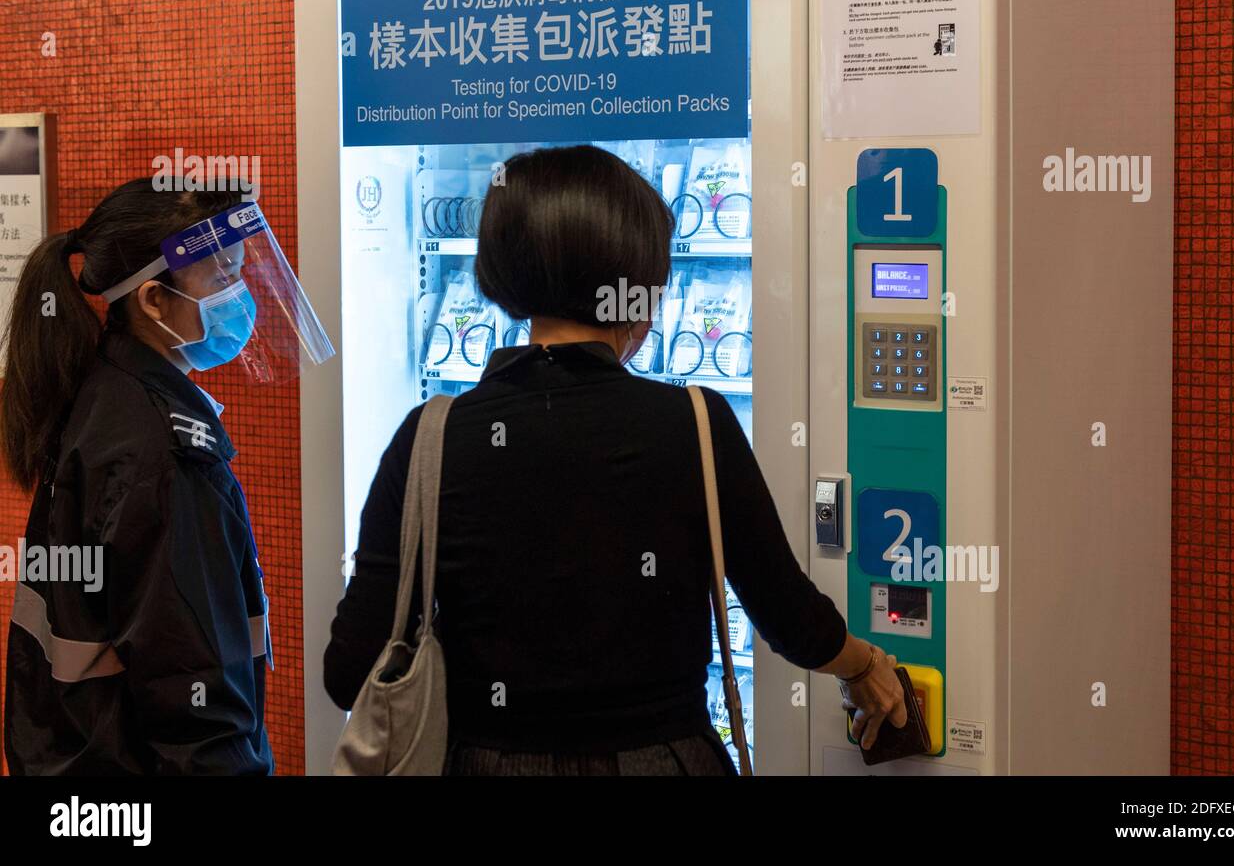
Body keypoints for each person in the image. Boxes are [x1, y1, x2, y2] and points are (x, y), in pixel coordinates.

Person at [324, 144, 904, 775]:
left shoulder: (428, 437)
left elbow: (351, 670)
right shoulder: (697, 424)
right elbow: (791, 620)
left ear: (501, 274)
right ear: (636, 291)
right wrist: (866, 666)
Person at [1, 178, 334, 775]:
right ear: (153, 301)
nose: (242, 297)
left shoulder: (105, 390)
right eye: (222, 277)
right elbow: (192, 689)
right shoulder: (161, 456)